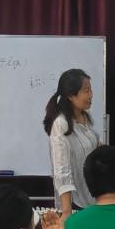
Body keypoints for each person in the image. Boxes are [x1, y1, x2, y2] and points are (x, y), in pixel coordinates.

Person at [43, 69, 101, 213]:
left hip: (92, 197)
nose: (91, 95)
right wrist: (67, 211)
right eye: (86, 91)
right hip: (75, 202)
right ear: (70, 95)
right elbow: (62, 169)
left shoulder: (84, 118)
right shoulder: (61, 124)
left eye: (91, 90)